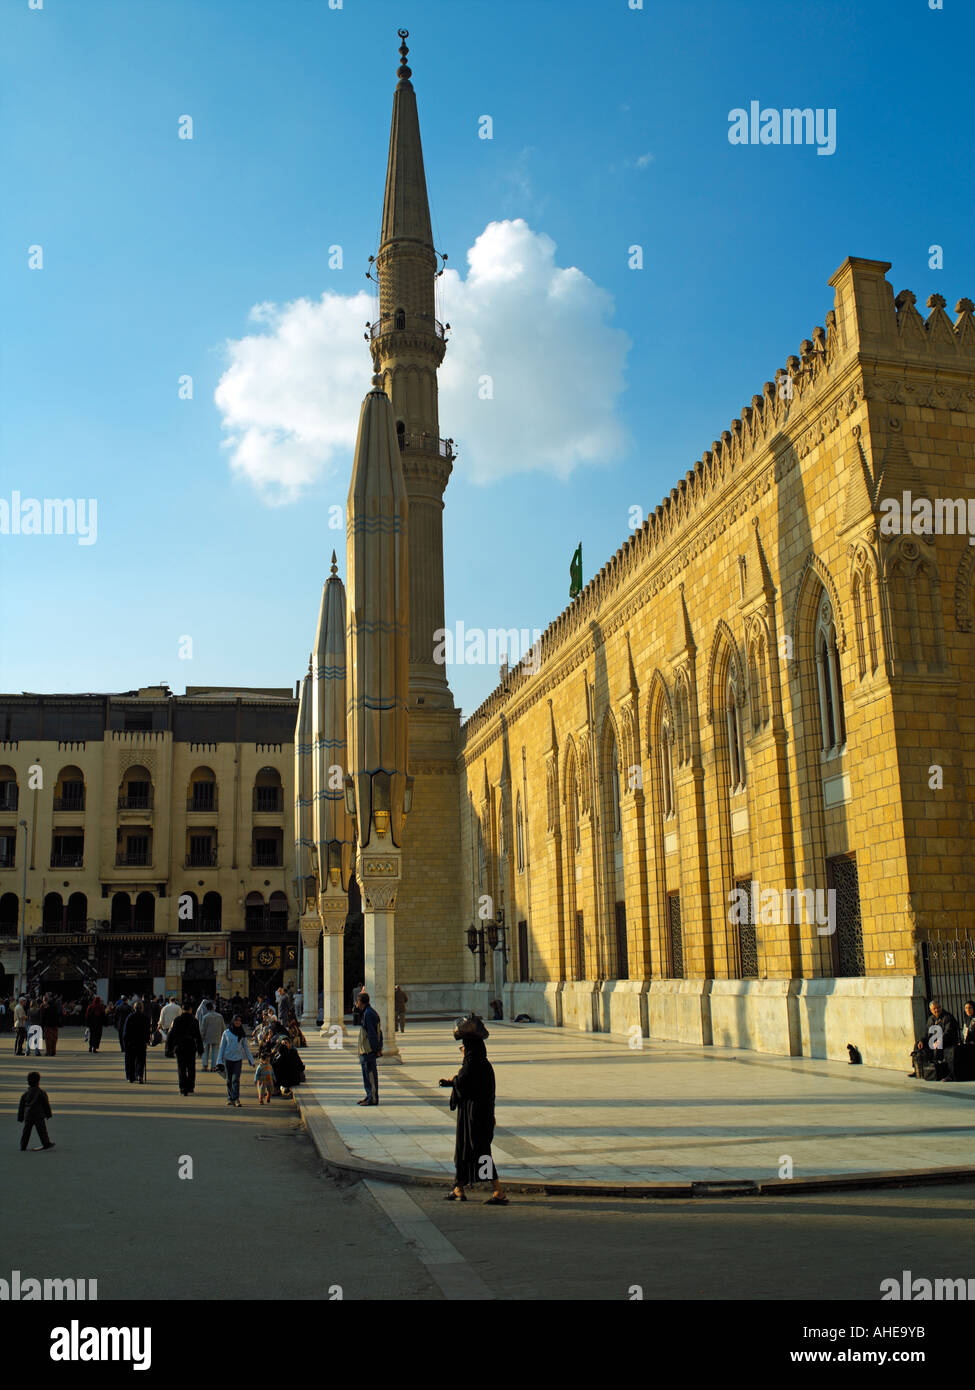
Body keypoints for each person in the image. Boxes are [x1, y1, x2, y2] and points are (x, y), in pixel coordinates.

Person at [440, 1015, 507, 1205]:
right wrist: (453, 1081)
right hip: (476, 1116)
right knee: (464, 1152)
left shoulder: (471, 1064)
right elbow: (465, 1083)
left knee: (480, 1152)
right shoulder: (483, 1064)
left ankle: (498, 1190)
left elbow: (463, 1083)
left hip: (475, 1117)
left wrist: (453, 1082)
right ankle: (458, 1187)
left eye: (463, 1047)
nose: (462, 1050)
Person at [215, 1015, 255, 1107]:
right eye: (236, 1021)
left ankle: (236, 1098)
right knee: (229, 1080)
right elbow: (222, 1047)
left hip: (238, 1059)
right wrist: (219, 1061)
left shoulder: (242, 1034)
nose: (238, 1022)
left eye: (239, 1021)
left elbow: (246, 1048)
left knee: (235, 1079)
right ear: (233, 1021)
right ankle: (230, 1098)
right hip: (227, 1059)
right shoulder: (226, 1033)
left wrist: (251, 1060)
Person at [165, 1002, 204, 1095]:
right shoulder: (194, 1021)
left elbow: (171, 1035)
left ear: (182, 1009)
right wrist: (200, 1049)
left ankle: (182, 1088)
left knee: (181, 1068)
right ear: (190, 1010)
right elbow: (198, 1036)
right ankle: (190, 1087)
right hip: (190, 1046)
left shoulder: (177, 1020)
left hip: (180, 1046)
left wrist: (169, 1048)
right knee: (191, 1068)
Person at [355, 991, 382, 1106]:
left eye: (357, 1001)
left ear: (361, 1002)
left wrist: (376, 1050)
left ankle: (373, 1098)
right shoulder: (366, 1012)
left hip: (368, 1051)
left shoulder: (369, 1014)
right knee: (366, 1074)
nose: (356, 1004)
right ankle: (369, 1095)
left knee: (370, 1075)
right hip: (365, 1050)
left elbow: (373, 1033)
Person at [18, 1070, 55, 1151]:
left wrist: (20, 1117)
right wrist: (48, 1114)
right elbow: (46, 1104)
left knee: (26, 1131)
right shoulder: (41, 1093)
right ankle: (46, 1143)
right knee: (42, 1131)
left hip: (28, 1115)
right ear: (38, 1081)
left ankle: (23, 1146)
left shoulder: (25, 1094)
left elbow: (21, 1106)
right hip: (39, 1115)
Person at [122, 1001, 151, 1083]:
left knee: (130, 1060)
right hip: (141, 1042)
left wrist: (125, 1043)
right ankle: (140, 1075)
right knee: (141, 1060)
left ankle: (131, 1077)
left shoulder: (130, 1017)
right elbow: (148, 1031)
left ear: (134, 1008)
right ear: (142, 1008)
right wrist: (147, 1040)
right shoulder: (145, 1018)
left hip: (131, 1043)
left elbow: (126, 1032)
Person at [200, 1005, 226, 1071]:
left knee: (205, 1051)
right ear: (213, 1008)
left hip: (207, 1036)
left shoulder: (205, 1017)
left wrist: (201, 1036)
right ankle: (214, 1066)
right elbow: (223, 1027)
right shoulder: (220, 1016)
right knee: (215, 1052)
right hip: (217, 1036)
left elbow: (203, 1028)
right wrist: (223, 1035)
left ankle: (205, 1065)